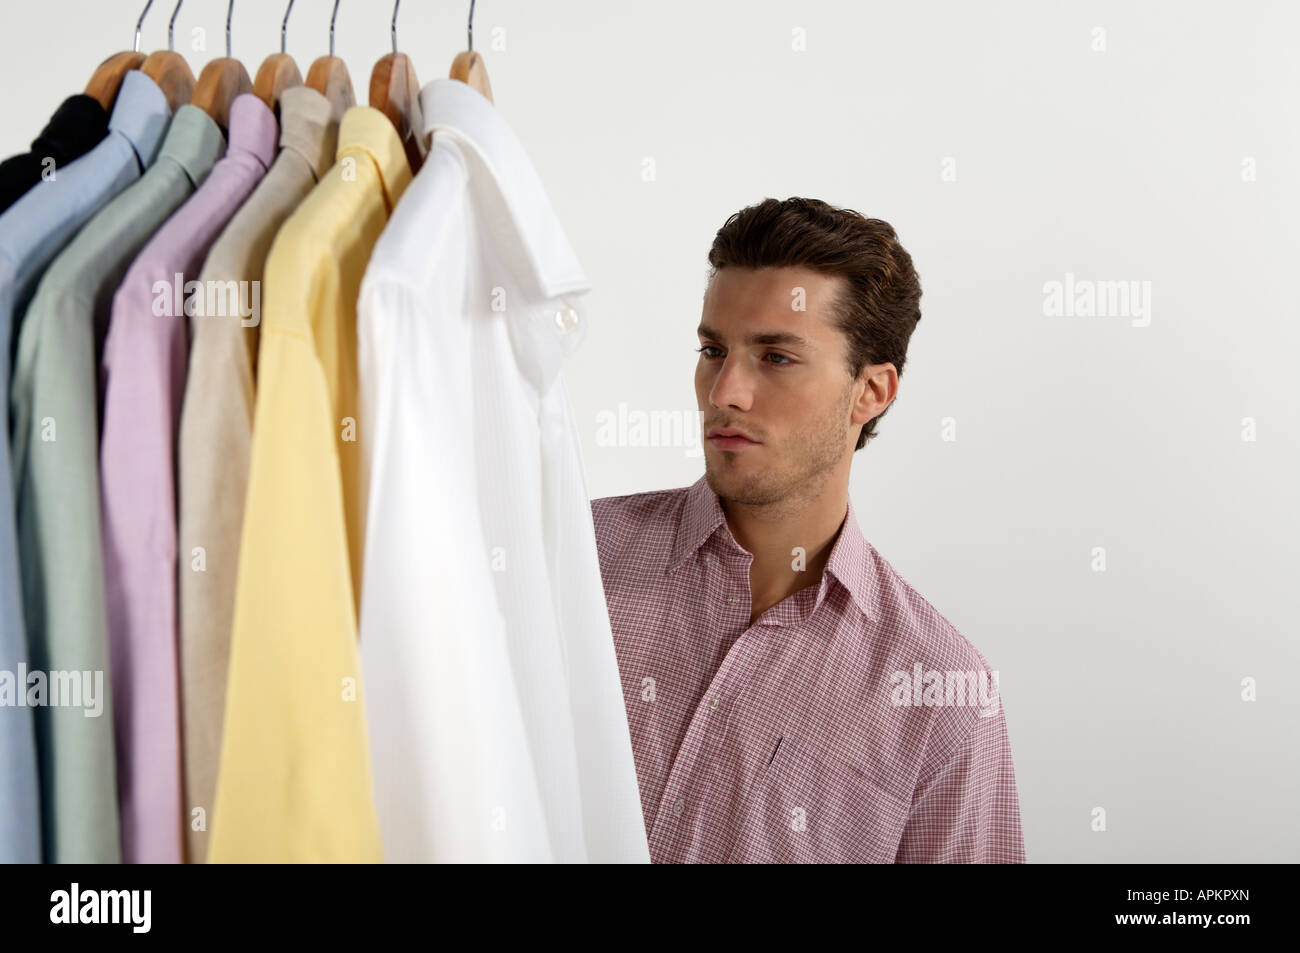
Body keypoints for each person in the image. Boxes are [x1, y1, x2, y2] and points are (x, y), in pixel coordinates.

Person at [591, 196, 1026, 863]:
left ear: (871, 391)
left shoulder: (943, 694)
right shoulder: (572, 561)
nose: (725, 391)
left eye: (777, 357)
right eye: (714, 349)